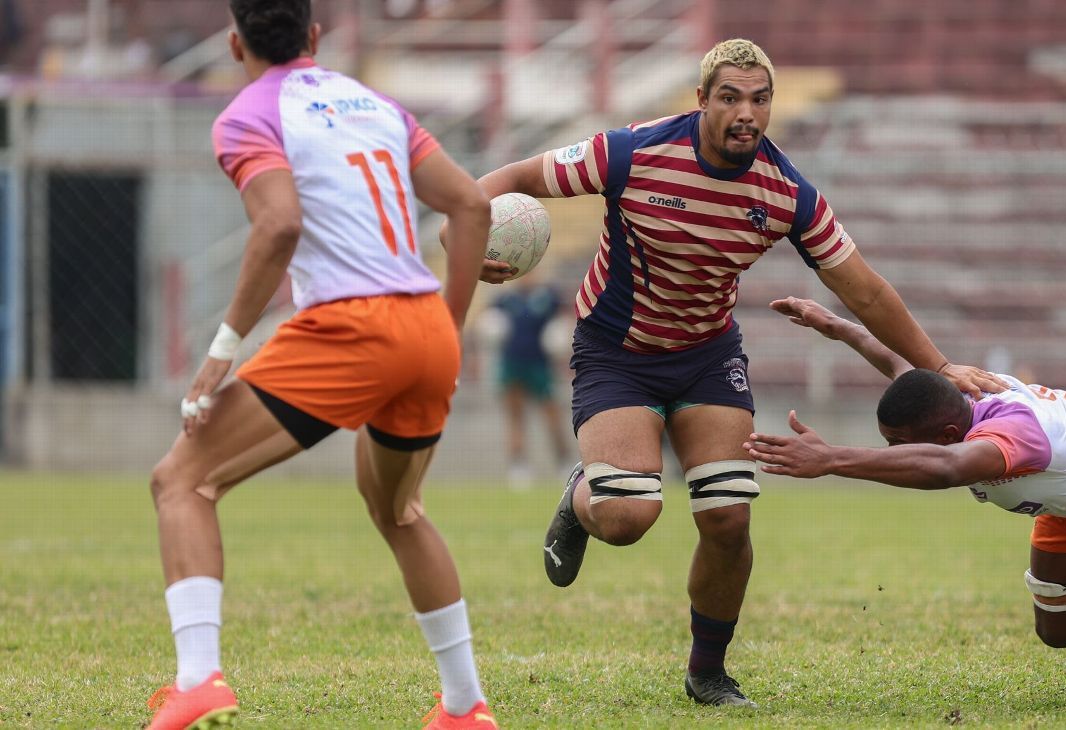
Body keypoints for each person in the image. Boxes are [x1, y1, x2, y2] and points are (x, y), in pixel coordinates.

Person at [471, 38, 1006, 707]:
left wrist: (940, 365)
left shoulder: (787, 193)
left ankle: (708, 673)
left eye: (759, 99)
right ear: (702, 100)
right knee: (628, 516)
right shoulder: (630, 152)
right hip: (617, 353)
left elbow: (865, 291)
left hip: (706, 356)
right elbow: (517, 176)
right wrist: (461, 234)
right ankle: (582, 496)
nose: (745, 113)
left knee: (727, 518)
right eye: (729, 97)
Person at [144, 2, 497, 728]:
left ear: (234, 43)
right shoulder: (378, 106)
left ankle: (199, 681)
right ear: (313, 36)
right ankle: (464, 707)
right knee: (398, 509)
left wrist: (221, 351)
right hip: (425, 327)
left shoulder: (248, 113)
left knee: (182, 480)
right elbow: (470, 205)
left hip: (350, 327)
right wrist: (448, 328)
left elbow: (279, 224)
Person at [745, 296, 1066, 700]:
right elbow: (898, 364)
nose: (893, 454)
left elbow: (946, 469)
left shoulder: (1007, 438)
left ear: (949, 435)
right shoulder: (954, 399)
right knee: (1060, 628)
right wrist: (837, 327)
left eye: (898, 445)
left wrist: (831, 459)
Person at [488, 275, 571, 488]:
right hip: (512, 364)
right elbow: (490, 324)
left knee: (553, 417)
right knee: (516, 418)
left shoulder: (549, 297)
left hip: (540, 365)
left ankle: (564, 463)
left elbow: (565, 321)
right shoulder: (505, 299)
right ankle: (518, 467)